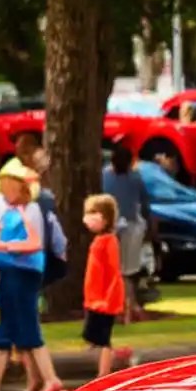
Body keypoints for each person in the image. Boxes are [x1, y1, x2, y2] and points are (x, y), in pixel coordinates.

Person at [0, 169, 63, 391]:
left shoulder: (30, 211)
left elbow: (35, 242)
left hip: (22, 272)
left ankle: (44, 381)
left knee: (17, 328)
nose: (4, 192)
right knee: (12, 329)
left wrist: (5, 246)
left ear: (20, 189)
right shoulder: (8, 211)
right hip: (7, 273)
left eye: (8, 187)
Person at [102, 147, 152, 324]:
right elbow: (145, 206)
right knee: (127, 272)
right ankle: (129, 309)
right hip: (131, 227)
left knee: (114, 271)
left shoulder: (104, 176)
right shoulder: (135, 178)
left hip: (112, 228)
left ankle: (119, 309)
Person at [82, 194, 125, 377]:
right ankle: (118, 357)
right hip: (94, 299)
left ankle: (104, 372)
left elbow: (114, 272)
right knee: (93, 336)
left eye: (94, 213)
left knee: (103, 339)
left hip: (104, 301)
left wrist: (109, 299)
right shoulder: (99, 240)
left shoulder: (109, 241)